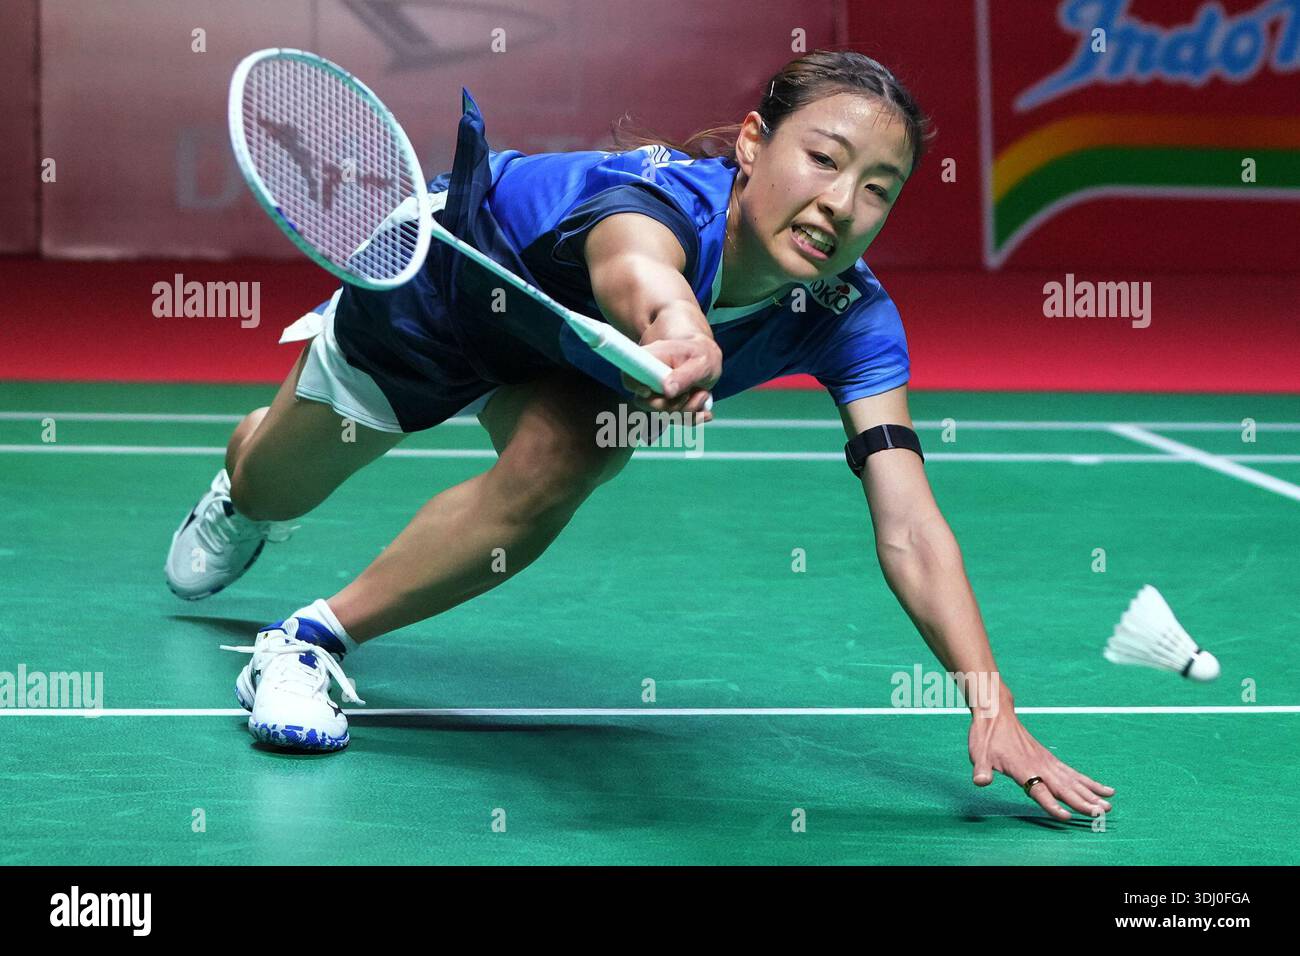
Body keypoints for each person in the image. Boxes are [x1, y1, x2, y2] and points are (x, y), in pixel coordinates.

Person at [165, 50, 1113, 821]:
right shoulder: (658, 204)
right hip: (445, 296)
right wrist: (682, 336)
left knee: (582, 449)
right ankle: (245, 476)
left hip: (567, 371)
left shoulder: (851, 316)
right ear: (752, 143)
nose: (841, 204)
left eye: (878, 189)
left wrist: (994, 702)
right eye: (823, 159)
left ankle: (308, 644)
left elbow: (909, 522)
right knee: (271, 485)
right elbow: (637, 272)